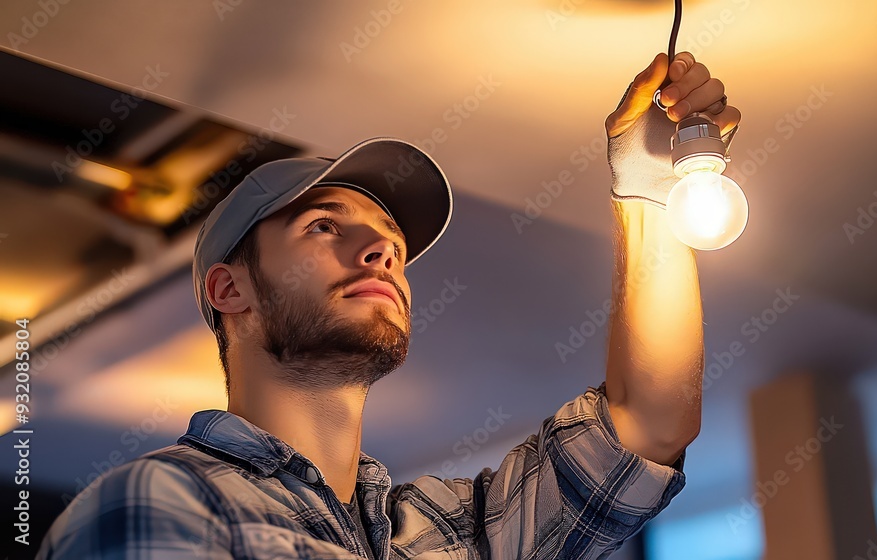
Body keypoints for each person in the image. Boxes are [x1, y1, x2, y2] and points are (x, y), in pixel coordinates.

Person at [37, 52, 739, 559]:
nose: (379, 252)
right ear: (231, 290)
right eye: (324, 226)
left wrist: (646, 190)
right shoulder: (163, 501)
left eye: (392, 246)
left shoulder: (449, 532)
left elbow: (648, 422)